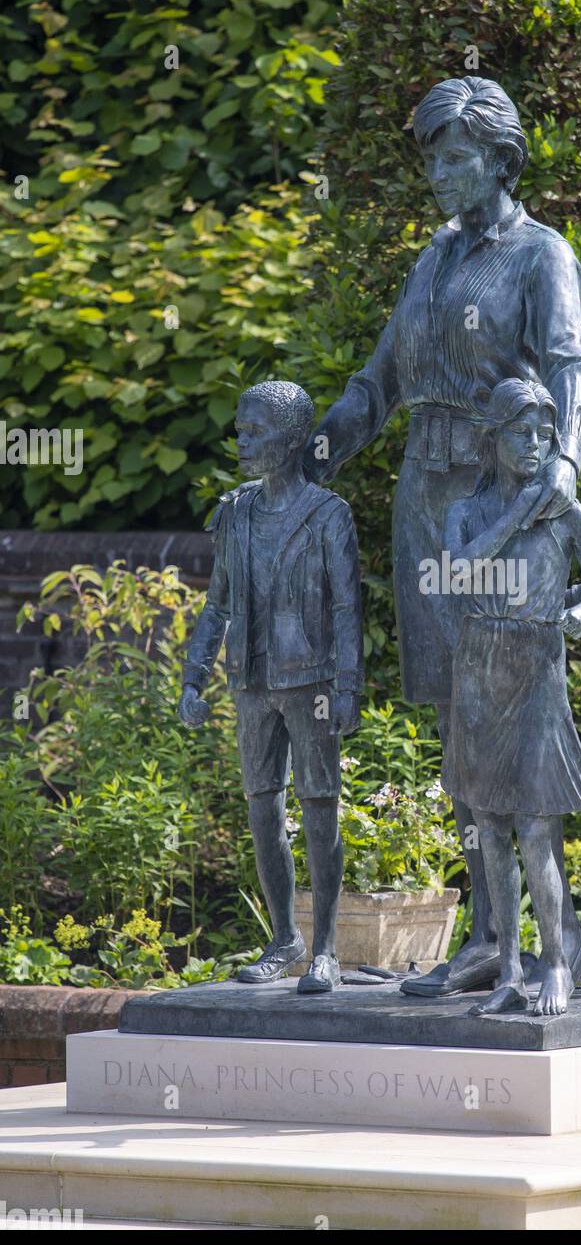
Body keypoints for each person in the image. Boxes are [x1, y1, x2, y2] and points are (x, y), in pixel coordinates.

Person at [305, 76, 581, 996]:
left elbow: (567, 365)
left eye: (454, 155)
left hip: (499, 509)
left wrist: (567, 466)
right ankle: (485, 936)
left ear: (501, 160)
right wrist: (317, 449)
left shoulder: (540, 255)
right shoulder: (429, 262)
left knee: (512, 719)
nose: (436, 172)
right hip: (424, 504)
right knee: (454, 725)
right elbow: (376, 381)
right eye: (429, 156)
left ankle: (557, 944)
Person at [179, 381, 363, 993]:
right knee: (263, 810)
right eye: (240, 428)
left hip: (309, 680)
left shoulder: (328, 515)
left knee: (319, 810)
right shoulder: (234, 513)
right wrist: (193, 676)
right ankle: (284, 938)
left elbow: (346, 609)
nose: (241, 441)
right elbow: (217, 605)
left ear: (290, 441)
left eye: (254, 431)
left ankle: (326, 948)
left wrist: (346, 687)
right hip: (253, 682)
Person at [441, 379, 581, 1016]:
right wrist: (518, 513)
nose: (536, 444)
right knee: (487, 826)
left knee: (538, 827)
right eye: (521, 432)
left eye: (545, 433)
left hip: (539, 663)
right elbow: (460, 572)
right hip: (480, 665)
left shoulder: (569, 514)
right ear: (494, 437)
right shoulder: (465, 510)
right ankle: (508, 968)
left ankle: (557, 963)